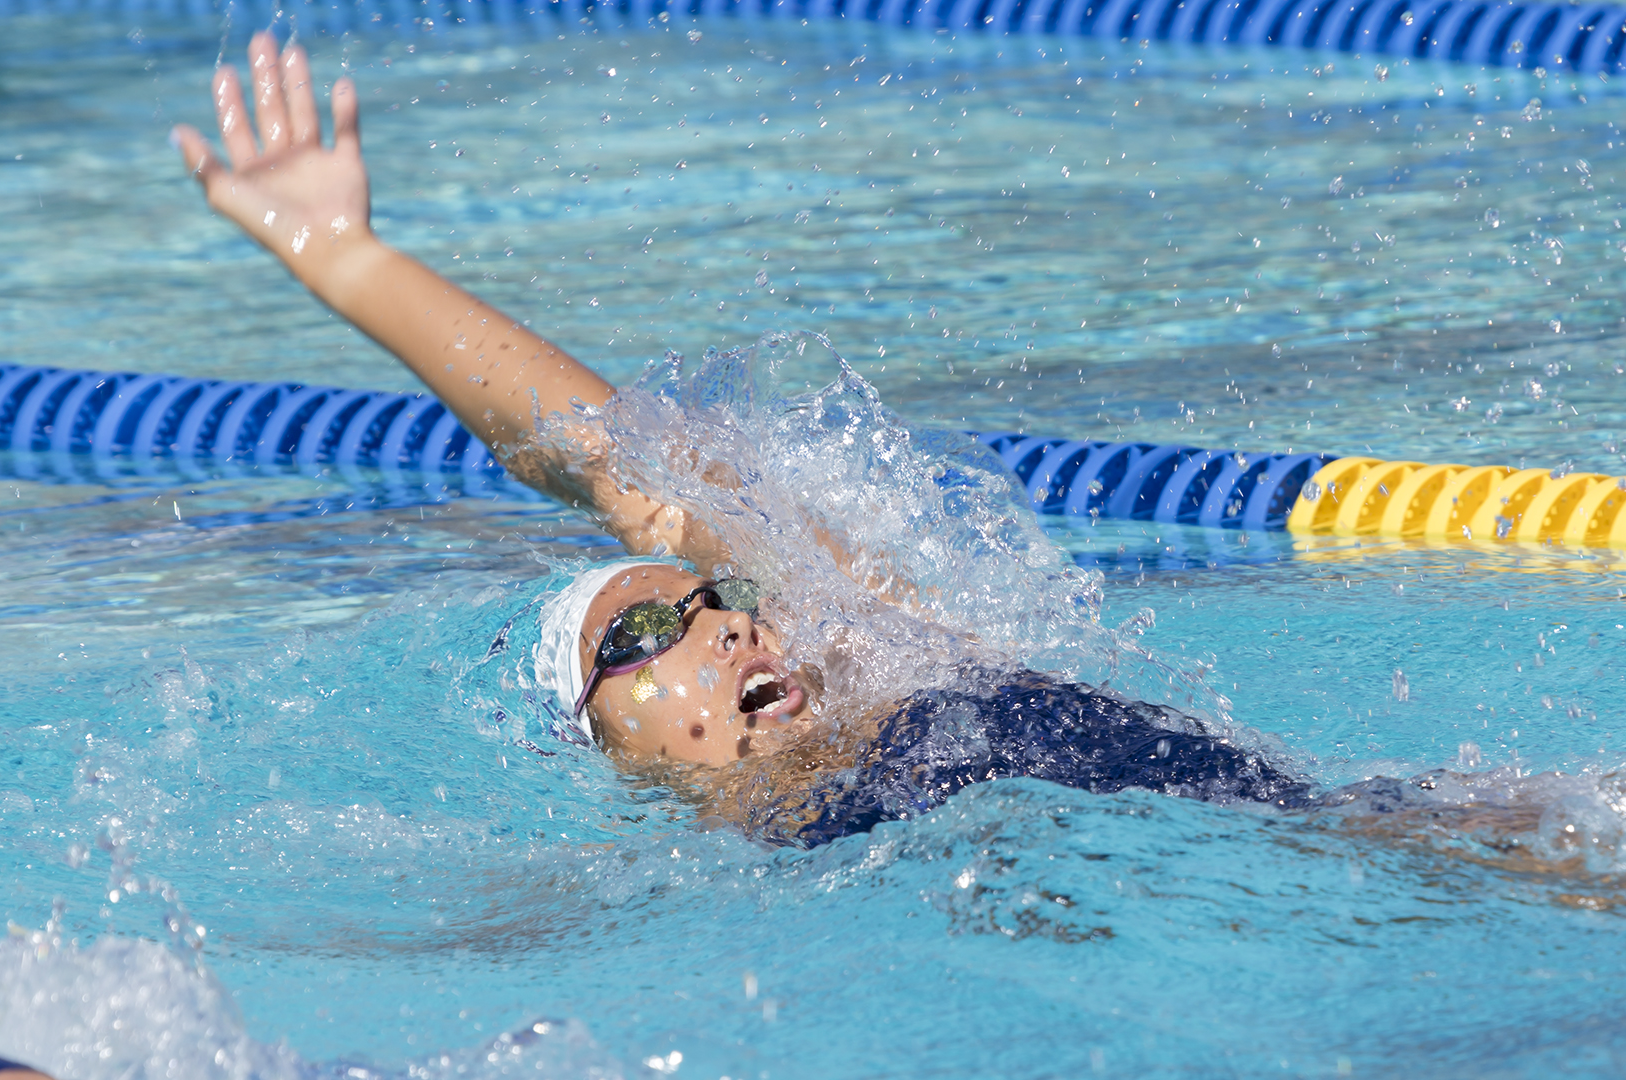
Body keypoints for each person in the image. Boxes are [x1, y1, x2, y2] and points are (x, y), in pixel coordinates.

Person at [172, 33, 1372, 847]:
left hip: (1352, 839)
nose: (729, 624)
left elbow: (617, 463)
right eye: (645, 634)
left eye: (722, 598)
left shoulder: (905, 669)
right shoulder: (695, 884)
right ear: (601, 748)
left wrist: (352, 261)